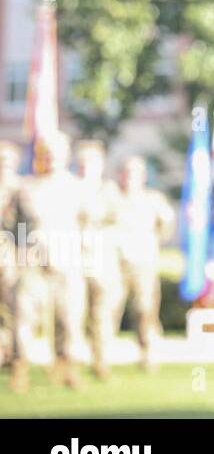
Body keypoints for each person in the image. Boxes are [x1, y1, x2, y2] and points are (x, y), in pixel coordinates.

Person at [9, 131, 90, 391]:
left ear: (66, 155)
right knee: (24, 316)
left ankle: (68, 367)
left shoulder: (78, 188)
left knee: (70, 317)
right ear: (40, 154)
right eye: (48, 151)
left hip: (68, 261)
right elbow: (16, 226)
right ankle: (20, 367)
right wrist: (19, 253)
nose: (53, 156)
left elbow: (87, 225)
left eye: (58, 151)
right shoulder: (27, 187)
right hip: (33, 262)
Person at [114, 155, 175, 372]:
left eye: (136, 173)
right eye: (127, 172)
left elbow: (166, 227)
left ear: (144, 176)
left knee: (145, 310)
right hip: (114, 264)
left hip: (143, 263)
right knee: (109, 310)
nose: (131, 177)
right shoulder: (112, 199)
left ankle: (148, 353)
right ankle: (103, 357)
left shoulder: (153, 200)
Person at [76, 140, 123, 381]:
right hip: (74, 260)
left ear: (101, 164)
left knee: (103, 313)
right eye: (82, 161)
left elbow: (119, 223)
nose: (86, 166)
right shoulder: (70, 188)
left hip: (103, 260)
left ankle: (101, 360)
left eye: (91, 161)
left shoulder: (109, 191)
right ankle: (69, 364)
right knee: (74, 314)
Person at [0, 141, 23, 371]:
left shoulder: (21, 188)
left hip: (9, 254)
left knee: (11, 307)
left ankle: (11, 354)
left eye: (8, 160)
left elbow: (24, 225)